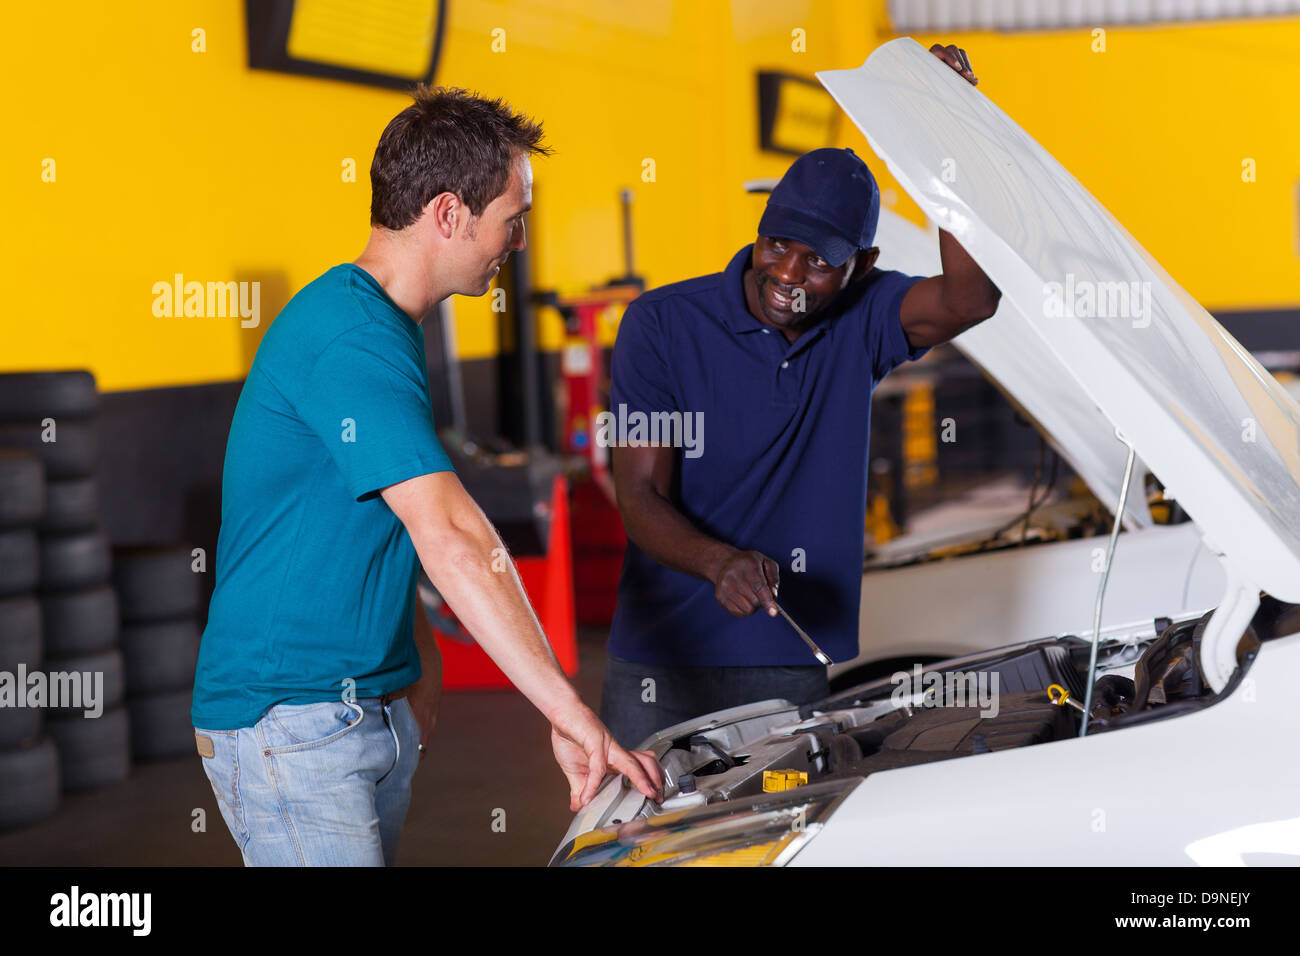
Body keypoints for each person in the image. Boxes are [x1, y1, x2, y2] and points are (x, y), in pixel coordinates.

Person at [191, 86, 662, 867]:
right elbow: (451, 532)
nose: (515, 241)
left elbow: (377, 516)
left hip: (361, 708)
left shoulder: (384, 326)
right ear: (449, 214)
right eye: (512, 220)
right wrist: (569, 713)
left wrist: (415, 651)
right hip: (291, 721)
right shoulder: (348, 336)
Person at [599, 45, 1000, 748]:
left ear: (862, 266)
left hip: (785, 653)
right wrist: (718, 562)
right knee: (642, 850)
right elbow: (638, 494)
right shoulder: (660, 323)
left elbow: (972, 297)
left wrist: (947, 132)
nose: (788, 272)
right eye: (778, 244)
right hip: (658, 659)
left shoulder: (867, 317)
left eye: (819, 260)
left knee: (778, 835)